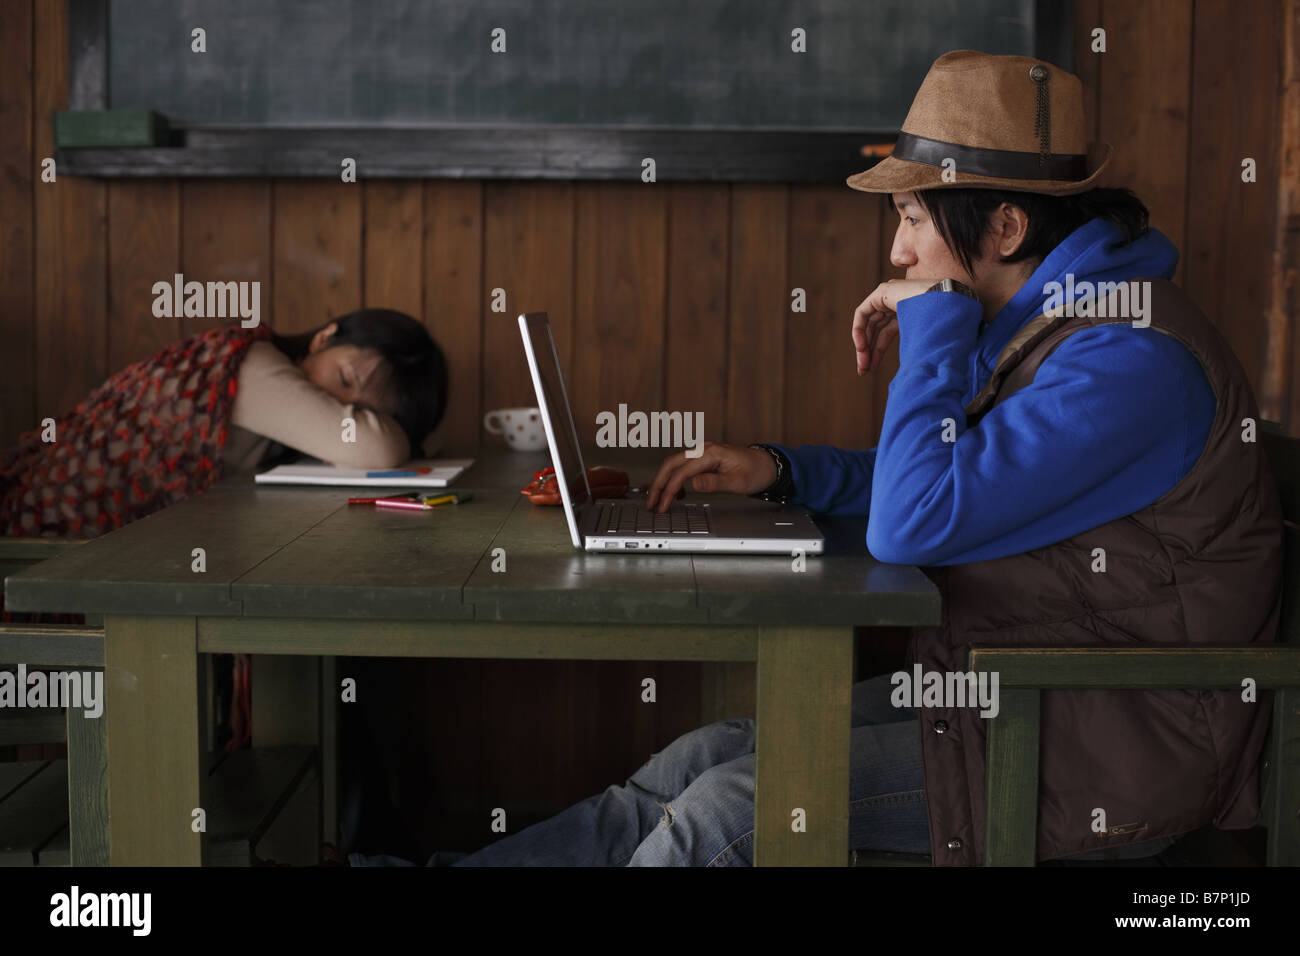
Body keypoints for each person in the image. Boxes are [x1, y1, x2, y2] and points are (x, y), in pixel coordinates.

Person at [348, 50, 1281, 867]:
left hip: (1102, 745)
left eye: (912, 218)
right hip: (1012, 693)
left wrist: (936, 328)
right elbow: (962, 484)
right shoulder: (1057, 329)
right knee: (698, 760)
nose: (897, 250)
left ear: (1003, 229)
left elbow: (916, 520)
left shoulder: (1127, 362)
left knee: (729, 811)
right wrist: (783, 470)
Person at [1, 307, 449, 538]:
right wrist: (380, 431)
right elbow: (374, 449)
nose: (339, 407)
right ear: (323, 338)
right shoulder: (251, 365)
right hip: (39, 543)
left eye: (366, 412)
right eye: (346, 379)